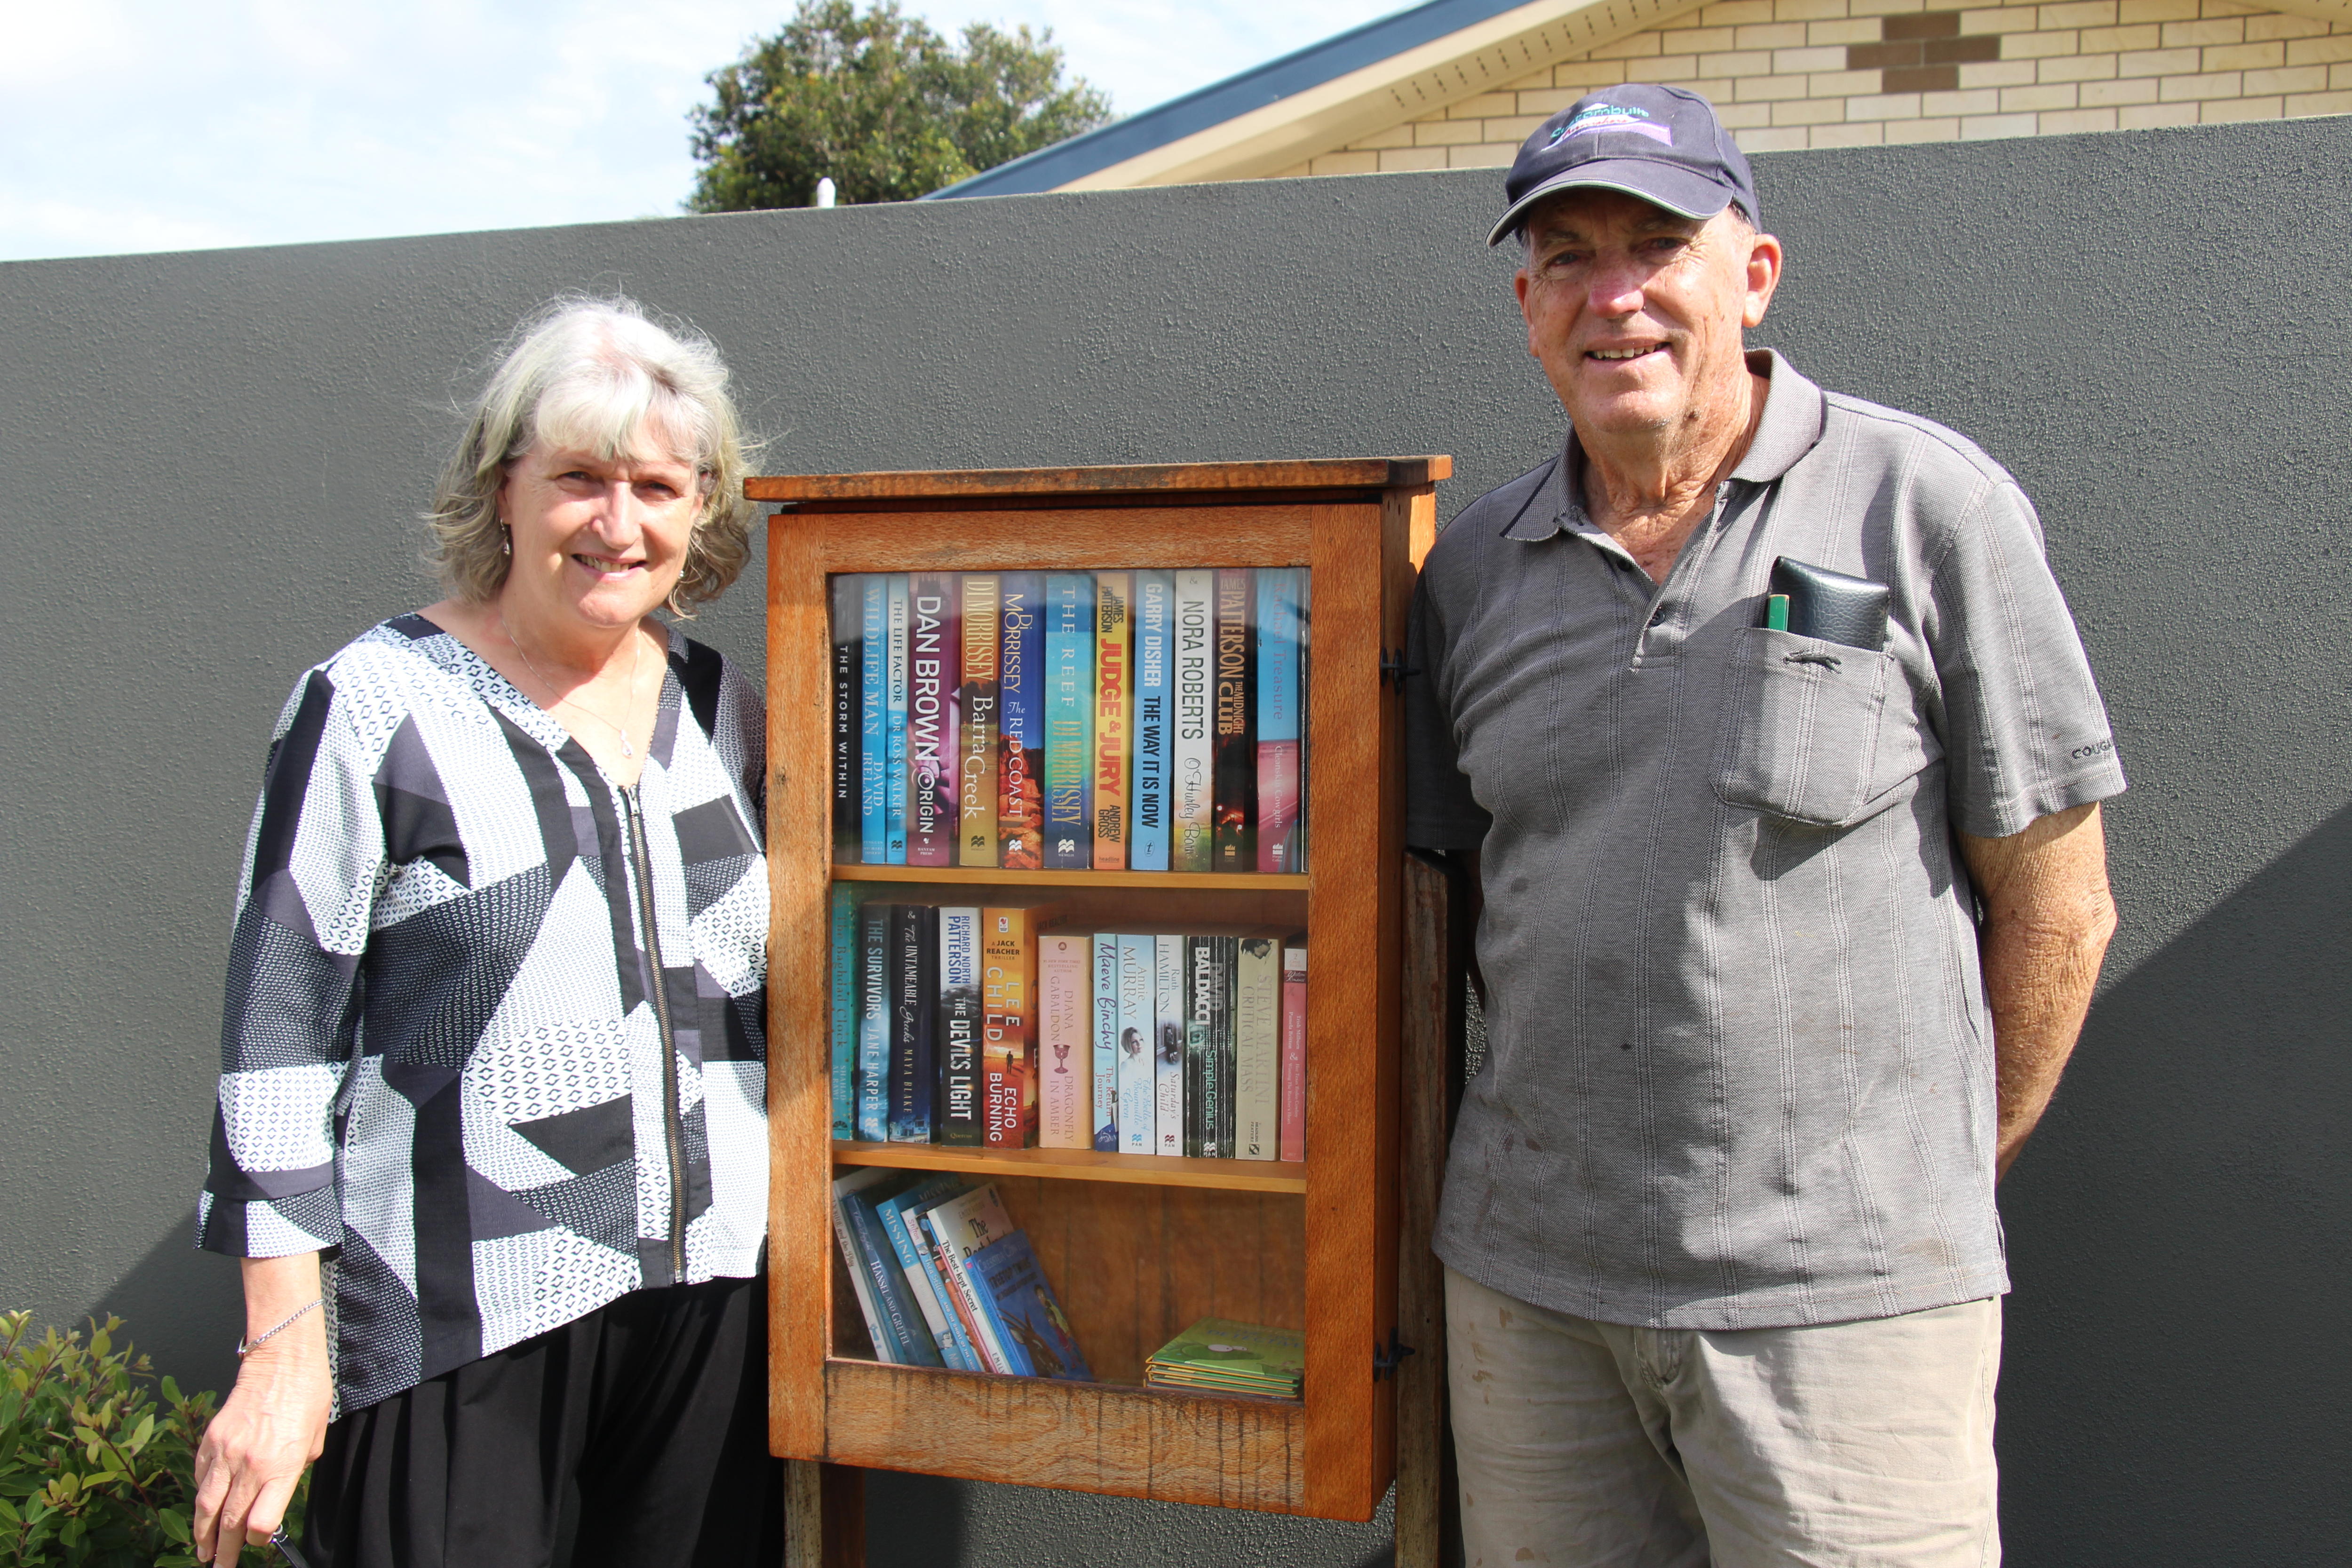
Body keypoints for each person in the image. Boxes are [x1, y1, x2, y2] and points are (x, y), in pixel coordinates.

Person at [1406, 85, 2124, 1566]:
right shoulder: (1476, 568)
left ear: (1754, 270)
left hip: (1847, 1316)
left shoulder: (1925, 509)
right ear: (1526, 303)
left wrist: (1915, 1184)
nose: (1617, 295)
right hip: (1534, 1308)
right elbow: (1469, 911)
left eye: (1659, 244)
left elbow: (2059, 902)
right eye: (1566, 255)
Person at [189, 297, 776, 1566]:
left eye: (659, 487)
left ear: (702, 508)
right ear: (504, 489)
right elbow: (277, 1042)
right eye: (580, 479)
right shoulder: (376, 706)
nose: (620, 525)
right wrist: (282, 1351)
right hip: (462, 1328)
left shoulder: (729, 712)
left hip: (715, 1327)